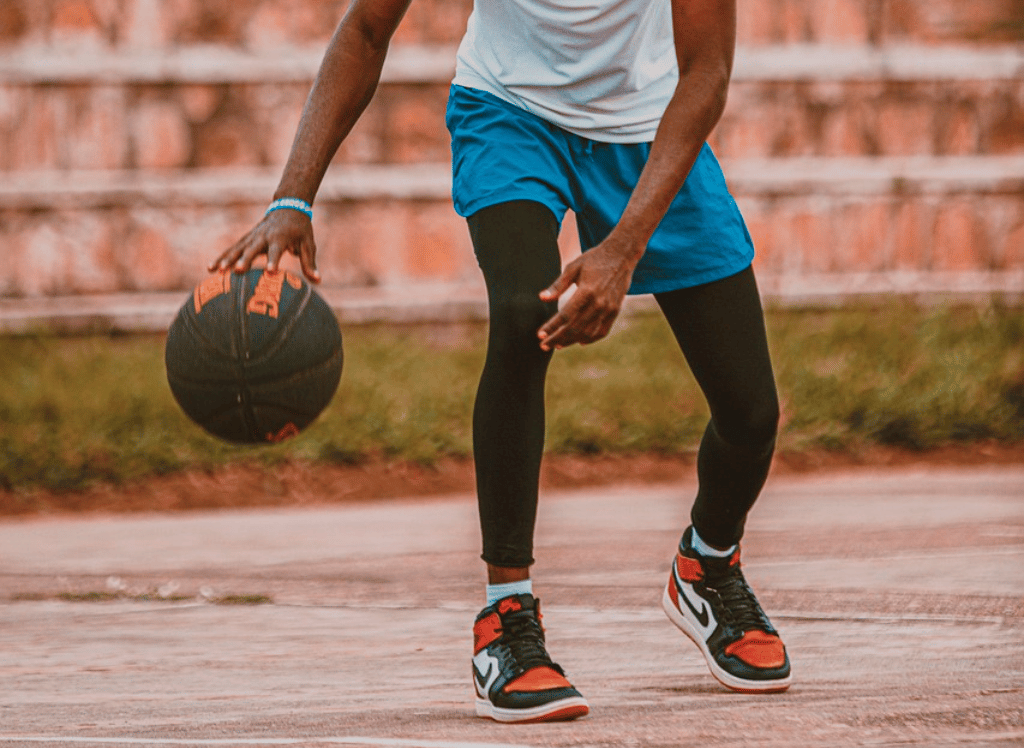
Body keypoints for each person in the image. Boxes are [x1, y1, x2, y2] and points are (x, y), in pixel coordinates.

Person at [211, 0, 791, 724]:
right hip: (509, 113)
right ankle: (506, 620)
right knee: (525, 319)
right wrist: (292, 198)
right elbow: (365, 28)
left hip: (646, 127)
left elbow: (707, 70)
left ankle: (706, 564)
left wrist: (626, 244)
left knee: (751, 411)